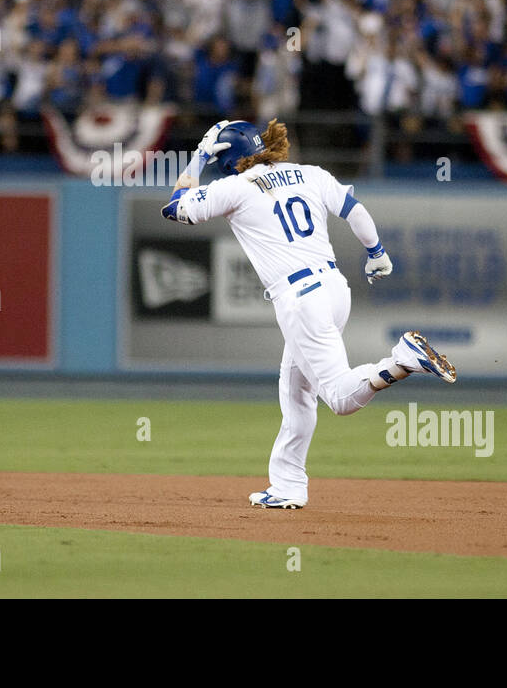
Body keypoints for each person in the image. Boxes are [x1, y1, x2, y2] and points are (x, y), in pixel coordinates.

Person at [161, 119, 457, 509]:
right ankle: (287, 486)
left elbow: (174, 207)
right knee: (296, 389)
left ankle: (401, 360)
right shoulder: (308, 173)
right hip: (335, 289)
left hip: (300, 297)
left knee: (338, 397)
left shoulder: (233, 187)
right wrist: (377, 253)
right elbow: (354, 209)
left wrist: (198, 158)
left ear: (226, 158)